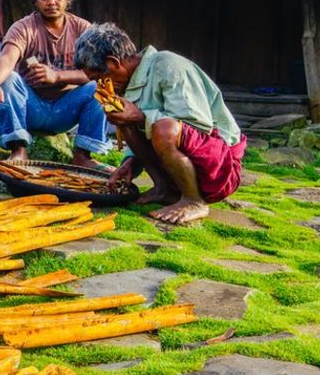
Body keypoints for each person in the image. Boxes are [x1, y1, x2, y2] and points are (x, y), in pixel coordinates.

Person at [74, 22, 247, 224]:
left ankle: (194, 201)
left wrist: (140, 116)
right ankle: (163, 187)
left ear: (114, 62)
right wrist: (130, 161)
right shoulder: (130, 82)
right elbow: (142, 128)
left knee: (163, 127)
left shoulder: (169, 66)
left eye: (101, 77)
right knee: (125, 118)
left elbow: (197, 127)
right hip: (186, 162)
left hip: (219, 168)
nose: (101, 84)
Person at [0, 0, 110, 167]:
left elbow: (97, 71)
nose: (51, 2)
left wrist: (57, 77)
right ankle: (19, 149)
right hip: (31, 108)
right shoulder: (24, 27)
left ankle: (83, 156)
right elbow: (7, 58)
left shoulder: (83, 29)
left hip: (66, 110)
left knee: (101, 86)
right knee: (8, 79)